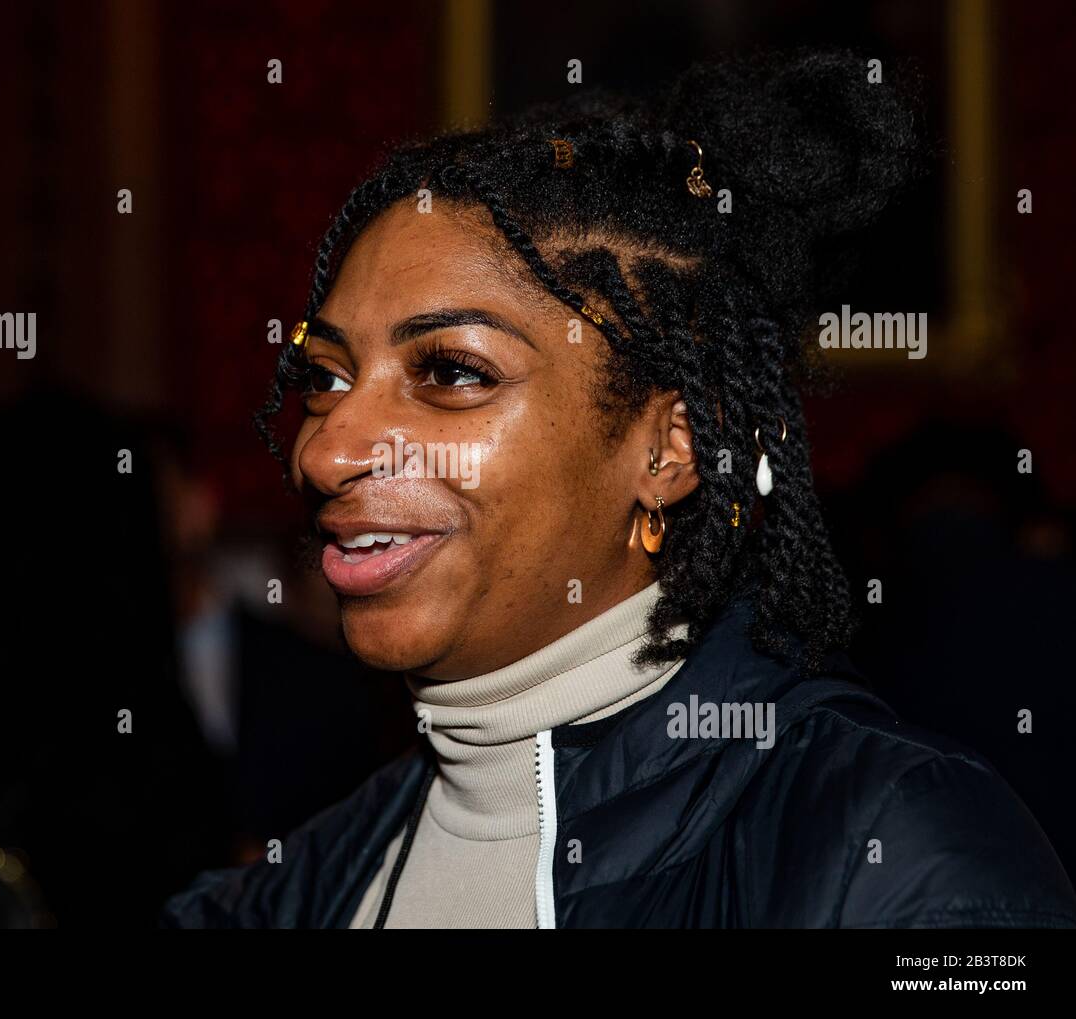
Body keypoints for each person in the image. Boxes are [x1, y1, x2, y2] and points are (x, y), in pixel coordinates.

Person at [163, 50, 1076, 928]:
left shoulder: (897, 855)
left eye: (450, 371)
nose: (326, 453)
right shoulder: (288, 891)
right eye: (324, 376)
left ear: (669, 447)